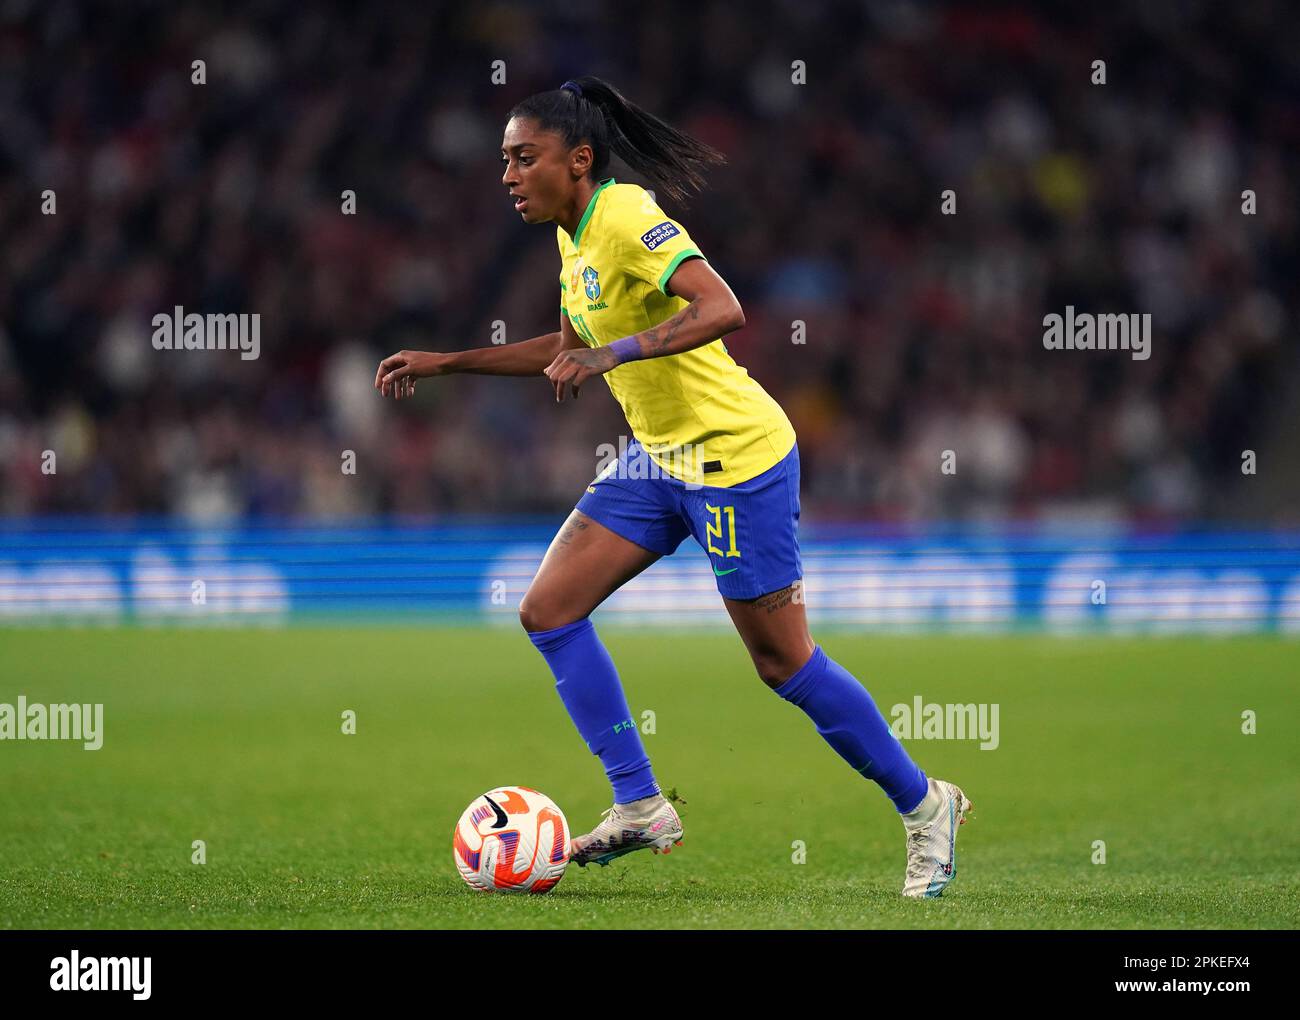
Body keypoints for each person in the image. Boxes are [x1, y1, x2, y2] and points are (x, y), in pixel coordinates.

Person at [375, 76, 972, 897]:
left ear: (578, 160)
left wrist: (612, 357)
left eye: (523, 158)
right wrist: (449, 362)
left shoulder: (622, 215)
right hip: (659, 458)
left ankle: (926, 803)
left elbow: (721, 306)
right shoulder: (573, 233)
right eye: (504, 161)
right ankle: (640, 804)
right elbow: (572, 338)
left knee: (782, 664)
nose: (507, 175)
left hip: (734, 458)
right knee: (548, 610)